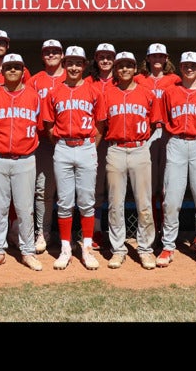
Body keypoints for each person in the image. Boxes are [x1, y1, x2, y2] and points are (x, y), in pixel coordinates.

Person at [42, 46, 107, 270]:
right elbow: (49, 126)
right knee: (65, 202)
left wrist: (90, 146)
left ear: (84, 65)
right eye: (70, 62)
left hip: (86, 146)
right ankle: (66, 248)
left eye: (78, 63)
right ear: (65, 64)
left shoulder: (93, 91)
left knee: (87, 201)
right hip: (63, 147)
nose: (73, 67)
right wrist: (62, 144)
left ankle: (87, 247)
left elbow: (100, 125)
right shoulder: (54, 92)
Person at [0, 53, 43, 271]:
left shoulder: (34, 97)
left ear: (23, 70)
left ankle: (28, 251)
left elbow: (40, 127)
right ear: (2, 71)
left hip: (25, 159)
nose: (12, 70)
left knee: (25, 209)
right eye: (8, 67)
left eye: (16, 67)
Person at [156, 51, 196, 269]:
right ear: (180, 67)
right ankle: (168, 245)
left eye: (193, 65)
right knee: (171, 199)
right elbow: (163, 120)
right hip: (176, 143)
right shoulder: (170, 92)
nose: (189, 68)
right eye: (185, 65)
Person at [104, 51, 159, 270]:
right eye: (121, 66)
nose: (124, 69)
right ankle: (118, 249)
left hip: (139, 149)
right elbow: (102, 124)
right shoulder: (108, 93)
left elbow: (154, 123)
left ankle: (145, 249)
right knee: (114, 204)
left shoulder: (147, 93)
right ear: (115, 70)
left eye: (129, 65)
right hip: (116, 149)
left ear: (136, 68)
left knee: (144, 203)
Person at [135, 43, 180, 248]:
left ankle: (165, 231)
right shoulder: (138, 79)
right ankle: (149, 231)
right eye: (153, 56)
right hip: (148, 134)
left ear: (166, 58)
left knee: (166, 186)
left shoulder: (175, 80)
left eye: (160, 56)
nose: (157, 60)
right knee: (149, 186)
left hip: (169, 132)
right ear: (148, 59)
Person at [26, 39, 65, 254]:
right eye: (47, 52)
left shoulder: (72, 77)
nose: (51, 55)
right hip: (42, 142)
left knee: (71, 192)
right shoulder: (34, 81)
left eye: (55, 51)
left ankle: (72, 236)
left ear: (62, 55)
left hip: (66, 141)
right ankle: (43, 232)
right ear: (42, 56)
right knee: (43, 191)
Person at [85, 43, 118, 250]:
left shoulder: (122, 80)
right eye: (101, 56)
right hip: (95, 139)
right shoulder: (88, 82)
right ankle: (95, 230)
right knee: (95, 188)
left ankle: (116, 233)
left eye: (109, 57)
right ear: (95, 59)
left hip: (116, 139)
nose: (105, 60)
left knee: (116, 189)